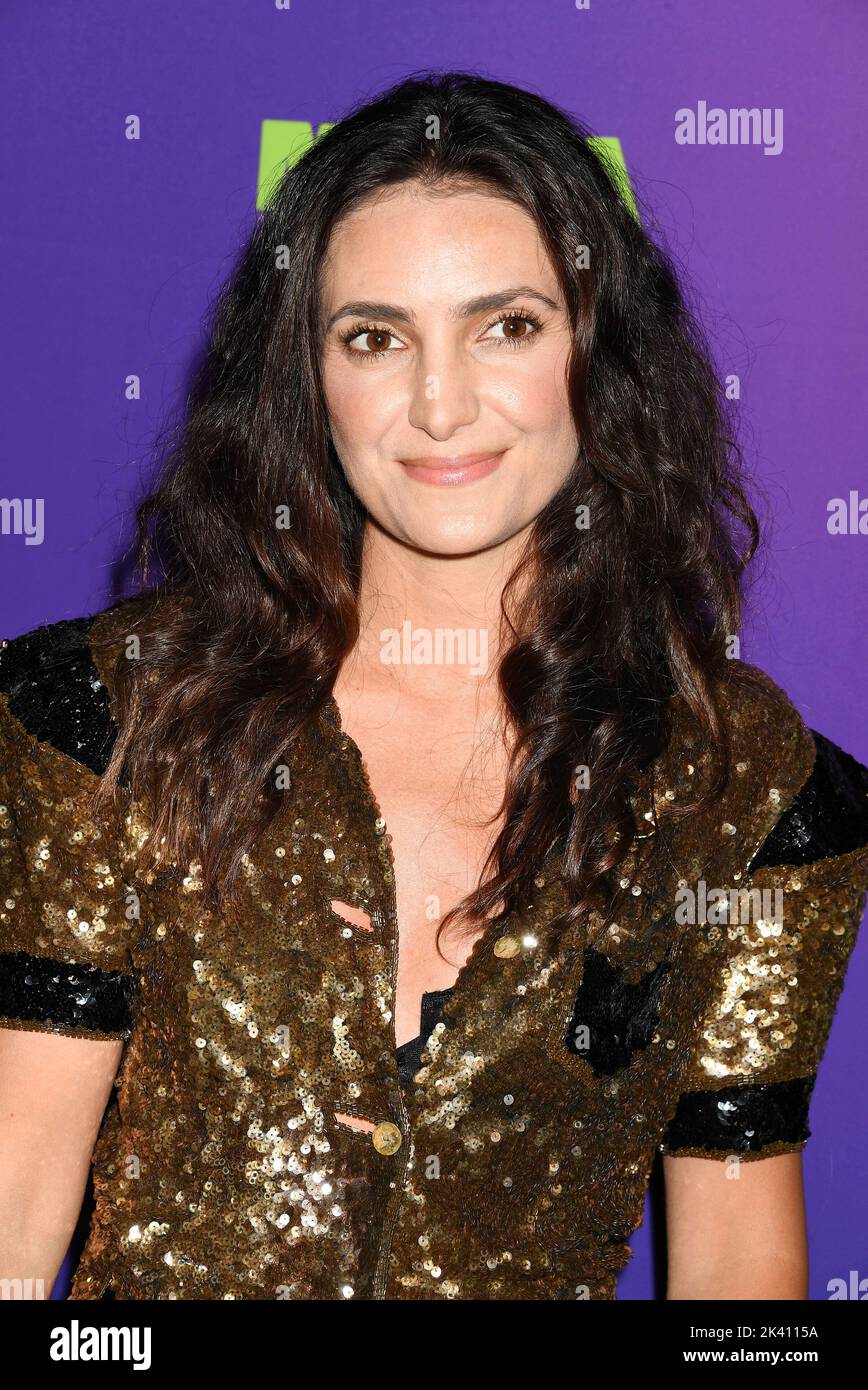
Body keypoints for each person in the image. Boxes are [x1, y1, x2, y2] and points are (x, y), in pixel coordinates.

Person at [1, 71, 867, 1302]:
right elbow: (15, 1209)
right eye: (375, 336)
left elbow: (737, 1269)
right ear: (306, 379)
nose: (441, 402)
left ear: (596, 351)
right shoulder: (122, 713)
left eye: (507, 325)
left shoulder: (739, 789)